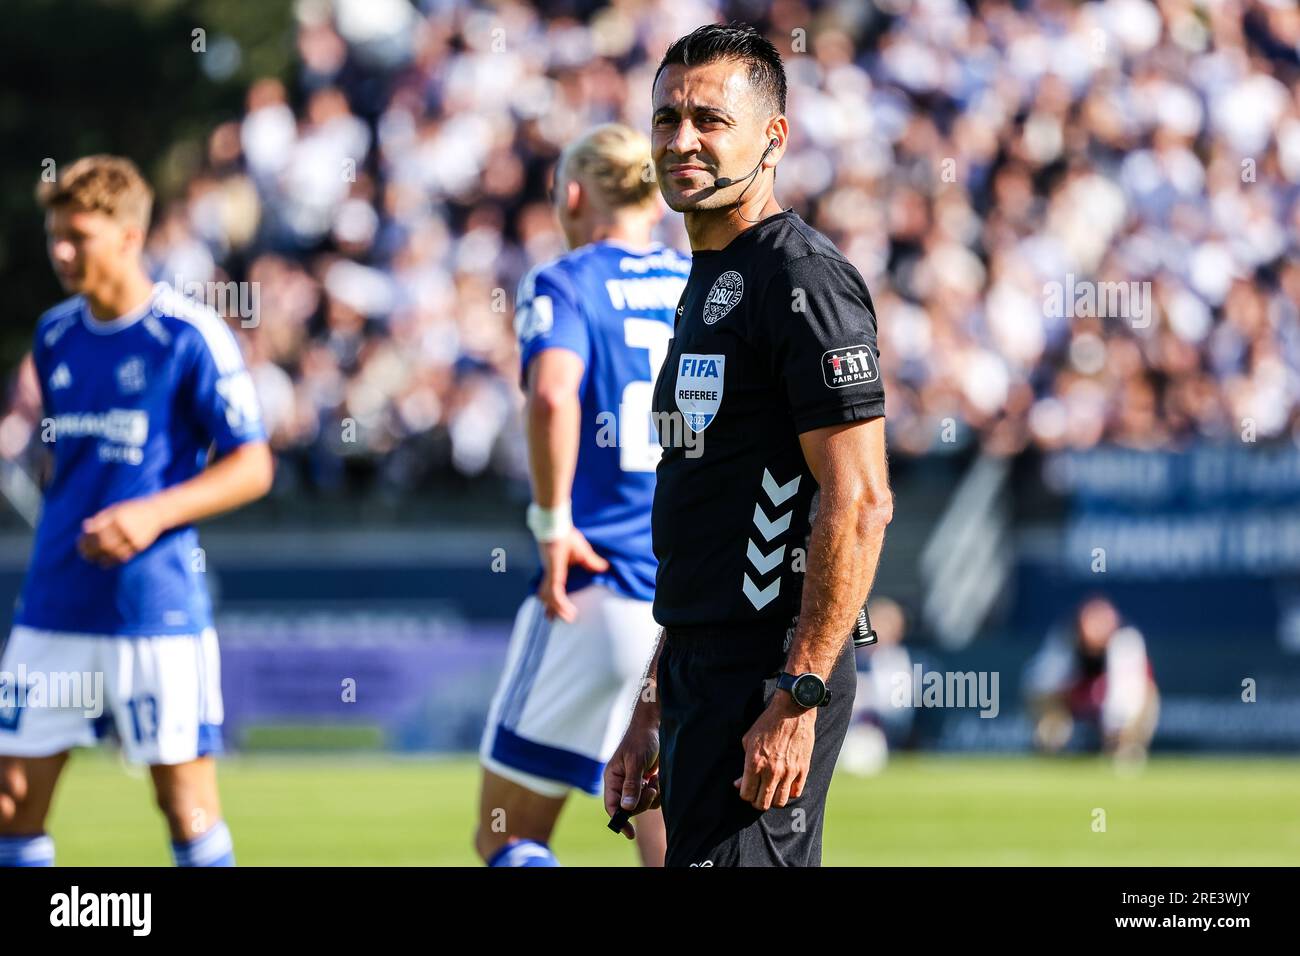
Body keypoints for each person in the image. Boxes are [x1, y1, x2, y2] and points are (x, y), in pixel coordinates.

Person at [604, 24, 892, 867]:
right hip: (699, 664)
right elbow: (705, 514)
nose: (680, 139)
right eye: (665, 118)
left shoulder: (802, 278)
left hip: (769, 669)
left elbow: (862, 500)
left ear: (773, 139)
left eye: (707, 119)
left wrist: (796, 694)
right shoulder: (704, 286)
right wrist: (654, 699)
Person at [0, 155, 273, 867]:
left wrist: (152, 514)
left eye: (78, 236)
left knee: (184, 809)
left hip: (154, 607)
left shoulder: (188, 336)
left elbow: (253, 463)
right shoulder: (55, 334)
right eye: (54, 234)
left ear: (127, 236)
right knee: (9, 799)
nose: (61, 251)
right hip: (55, 601)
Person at [475, 124, 689, 867]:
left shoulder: (565, 280)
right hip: (690, 605)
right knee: (667, 842)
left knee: (508, 835)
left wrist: (551, 520)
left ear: (572, 194)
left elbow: (553, 397)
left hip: (598, 584)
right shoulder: (700, 281)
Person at [1024, 595, 1160, 762]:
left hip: (1114, 705)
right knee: (1047, 715)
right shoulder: (1066, 638)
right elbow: (1040, 684)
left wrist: (1116, 730)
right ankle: (1053, 747)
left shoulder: (1126, 641)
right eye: (1091, 624)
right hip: (1075, 697)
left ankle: (1127, 748)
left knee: (1146, 697)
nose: (1096, 629)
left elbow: (1126, 696)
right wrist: (1053, 723)